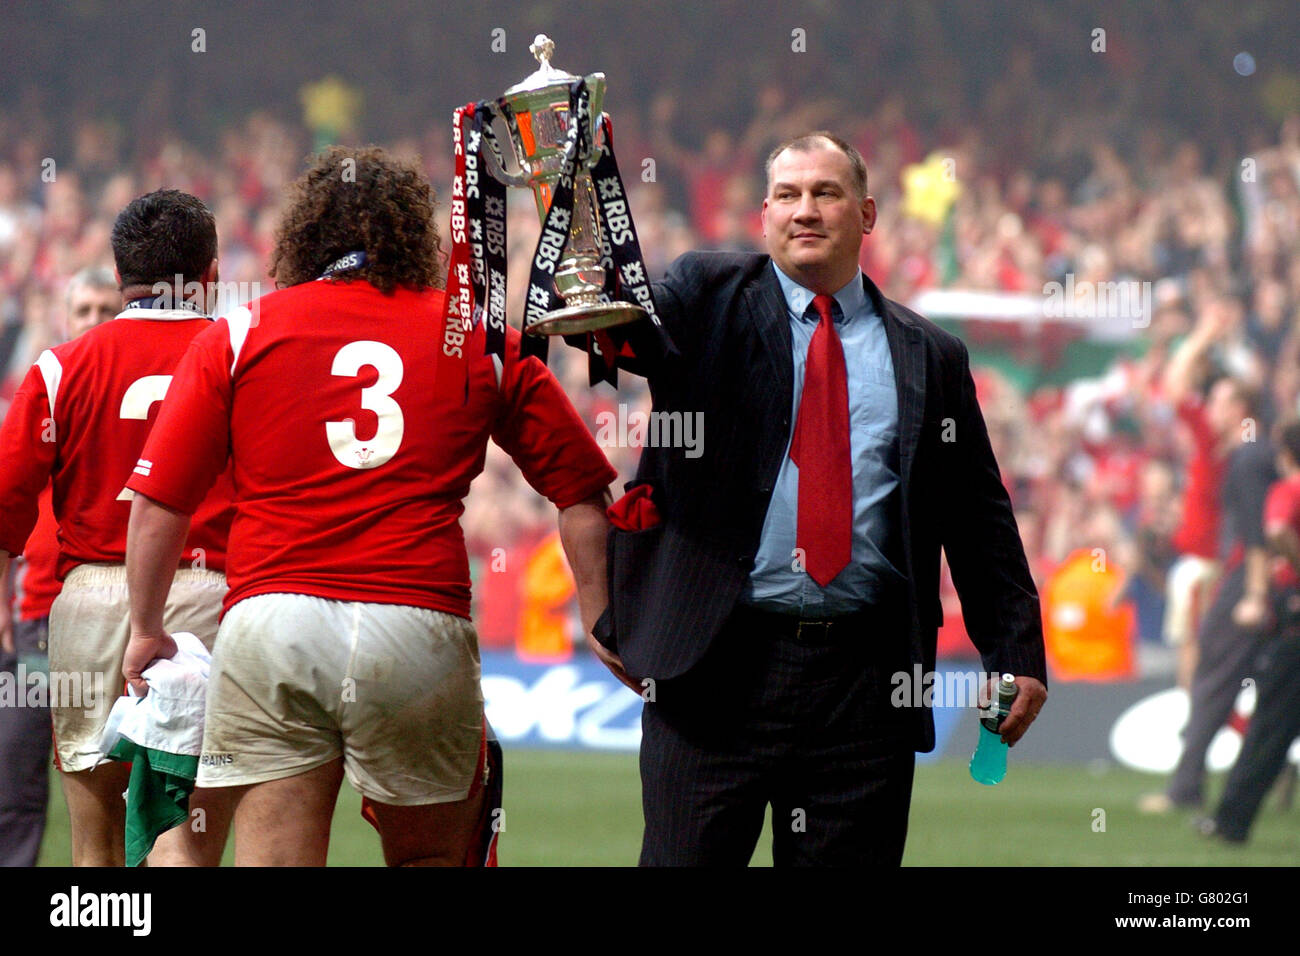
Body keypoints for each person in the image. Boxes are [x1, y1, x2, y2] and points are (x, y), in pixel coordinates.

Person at [122, 146, 617, 866]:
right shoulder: (476, 335)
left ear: (303, 235)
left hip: (273, 619)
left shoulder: (238, 333)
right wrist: (598, 614)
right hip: (417, 623)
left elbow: (160, 501)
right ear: (413, 235)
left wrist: (144, 627)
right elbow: (580, 489)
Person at [588, 131, 1047, 866]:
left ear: (866, 215)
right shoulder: (705, 298)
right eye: (789, 195)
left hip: (864, 688)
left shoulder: (930, 355)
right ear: (764, 215)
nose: (806, 210)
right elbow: (624, 334)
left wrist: (1015, 649)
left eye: (826, 193)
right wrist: (580, 224)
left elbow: (976, 516)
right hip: (715, 668)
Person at [0, 192, 236, 866]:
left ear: (117, 270)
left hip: (87, 604)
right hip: (205, 598)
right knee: (182, 836)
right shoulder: (240, 353)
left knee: (93, 841)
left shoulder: (57, 367)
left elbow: (3, 506)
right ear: (211, 272)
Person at [0, 267, 119, 867]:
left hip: (109, 619)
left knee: (110, 783)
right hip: (36, 619)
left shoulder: (127, 390)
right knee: (17, 786)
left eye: (106, 309)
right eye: (85, 311)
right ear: (62, 320)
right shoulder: (45, 390)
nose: (95, 321)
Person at [1140, 382, 1273, 815]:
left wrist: (1254, 591)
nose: (1209, 407)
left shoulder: (1248, 457)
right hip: (1254, 577)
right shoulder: (1249, 452)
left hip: (1246, 580)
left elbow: (1256, 533)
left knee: (1213, 680)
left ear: (1240, 408)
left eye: (1218, 399)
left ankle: (1186, 787)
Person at [1198, 418, 1300, 842]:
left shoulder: (1287, 489)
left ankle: (1230, 821)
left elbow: (1274, 529)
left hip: (1293, 622)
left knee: (1270, 726)